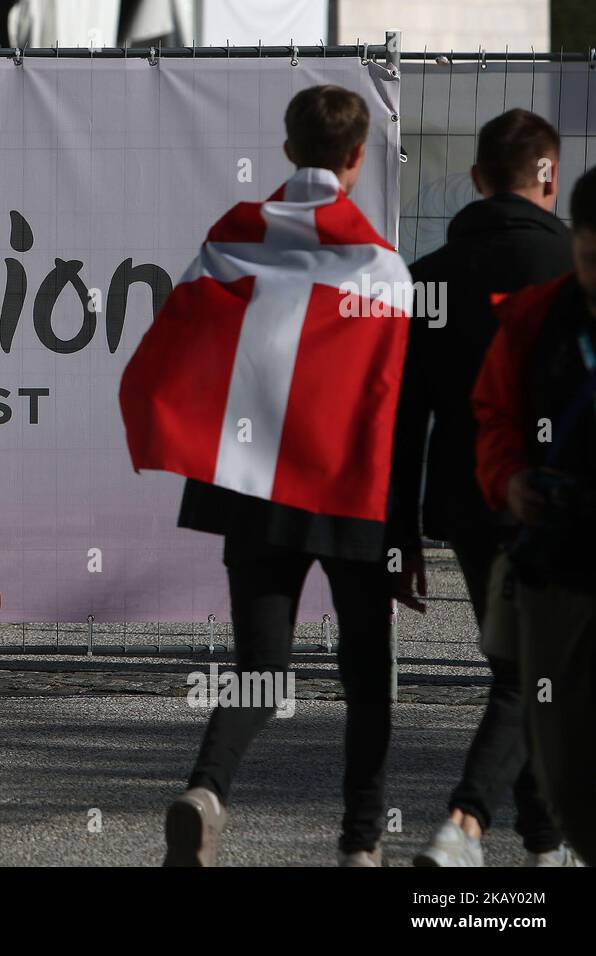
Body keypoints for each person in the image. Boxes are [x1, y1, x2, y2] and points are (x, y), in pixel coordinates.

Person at [124, 85, 411, 866]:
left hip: (253, 485)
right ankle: (360, 845)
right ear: (358, 160)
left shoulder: (232, 238)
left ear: (288, 150)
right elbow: (393, 404)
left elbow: (185, 336)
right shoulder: (384, 270)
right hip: (350, 491)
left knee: (260, 669)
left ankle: (206, 789)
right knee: (367, 676)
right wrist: (405, 526)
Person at [391, 109, 579, 866]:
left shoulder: (427, 278)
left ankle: (539, 842)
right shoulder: (573, 270)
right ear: (550, 176)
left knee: (521, 670)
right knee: (533, 676)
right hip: (560, 504)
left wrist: (397, 534)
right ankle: (470, 827)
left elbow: (404, 424)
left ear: (475, 180)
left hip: (467, 505)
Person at [471, 164, 596, 865]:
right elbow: (491, 414)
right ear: (575, 242)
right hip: (559, 567)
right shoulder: (534, 319)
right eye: (591, 260)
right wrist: (510, 477)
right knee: (565, 771)